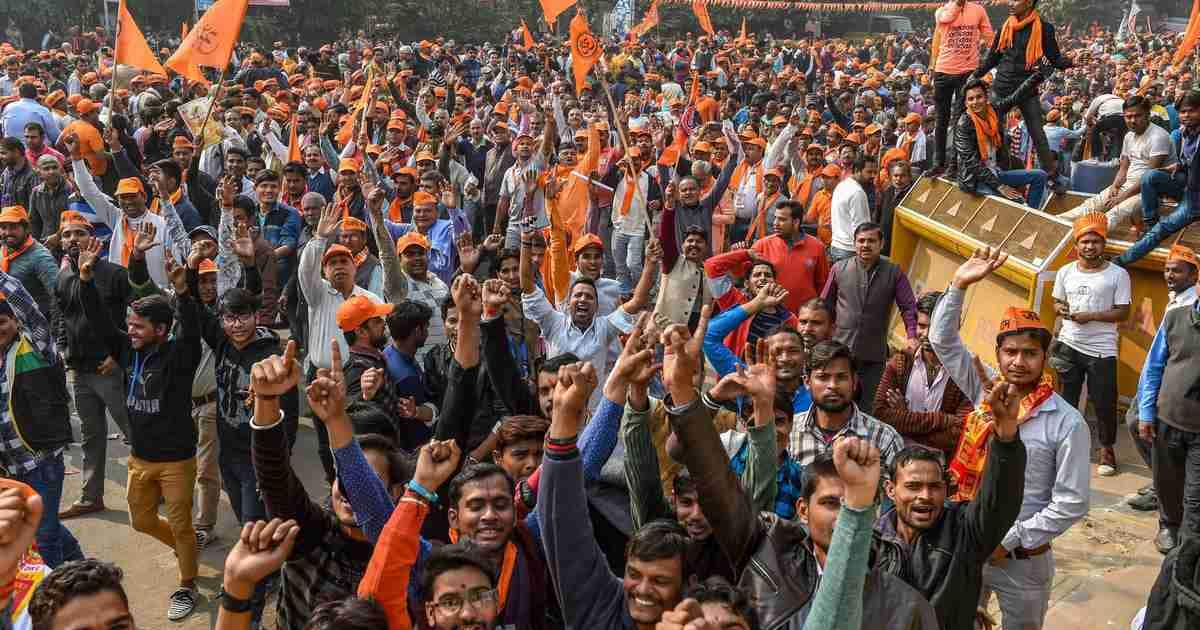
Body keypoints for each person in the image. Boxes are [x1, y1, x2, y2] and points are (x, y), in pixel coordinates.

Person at [665, 313, 938, 628]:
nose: (843, 518)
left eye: (854, 506)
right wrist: (684, 392)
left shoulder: (906, 605)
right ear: (802, 510)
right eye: (831, 503)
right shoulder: (768, 553)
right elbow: (718, 486)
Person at [931, 246, 1091, 630]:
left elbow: (1071, 502)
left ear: (1044, 357)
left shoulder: (1066, 422)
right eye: (1011, 352)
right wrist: (957, 285)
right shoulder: (987, 390)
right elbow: (943, 341)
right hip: (967, 544)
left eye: (1030, 353)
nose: (1019, 362)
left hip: (1023, 560)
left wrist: (1011, 538)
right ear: (998, 355)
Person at [78, 236, 206, 620]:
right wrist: (85, 281)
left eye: (138, 326)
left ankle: (188, 584)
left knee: (182, 524)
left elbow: (192, 333)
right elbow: (101, 322)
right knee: (143, 521)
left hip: (177, 462)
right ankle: (185, 545)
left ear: (162, 330)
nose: (130, 331)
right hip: (139, 459)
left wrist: (185, 292)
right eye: (129, 325)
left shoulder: (179, 358)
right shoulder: (126, 351)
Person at [249, 339, 412, 630]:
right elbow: (274, 476)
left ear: (397, 492)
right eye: (343, 479)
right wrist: (266, 400)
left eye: (366, 482)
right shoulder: (312, 533)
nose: (351, 491)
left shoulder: (407, 555)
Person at [538, 360, 692, 629]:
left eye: (660, 580)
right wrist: (563, 420)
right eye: (633, 574)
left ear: (687, 586)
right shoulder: (604, 606)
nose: (642, 590)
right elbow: (562, 525)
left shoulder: (707, 618)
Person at [297, 201, 383, 483]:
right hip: (320, 376)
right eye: (332, 263)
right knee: (324, 442)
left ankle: (356, 486)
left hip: (357, 378)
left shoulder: (370, 301)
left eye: (344, 261)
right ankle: (333, 485)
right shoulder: (317, 294)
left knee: (355, 438)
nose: (338, 267)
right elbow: (305, 272)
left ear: (355, 267)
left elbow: (383, 336)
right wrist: (320, 239)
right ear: (324, 271)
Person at [55, 212, 132, 520]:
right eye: (67, 235)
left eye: (79, 233)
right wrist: (63, 348)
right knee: (91, 435)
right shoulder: (63, 277)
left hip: (108, 368)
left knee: (133, 429)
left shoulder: (114, 274)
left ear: (93, 239)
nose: (73, 239)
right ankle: (91, 497)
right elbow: (61, 315)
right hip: (79, 370)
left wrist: (120, 354)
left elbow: (136, 318)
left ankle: (160, 486)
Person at [1125, 245, 1198, 539]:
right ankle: (1165, 504)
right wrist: (1147, 405)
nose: (1169, 275)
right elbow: (1157, 362)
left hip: (1191, 420)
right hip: (1166, 405)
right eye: (1167, 269)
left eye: (1176, 270)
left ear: (1194, 276)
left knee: (1192, 496)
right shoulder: (1177, 311)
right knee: (1140, 427)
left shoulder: (1186, 301)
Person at [1051, 213, 1131, 477]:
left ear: (1103, 244)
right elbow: (1056, 302)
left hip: (1101, 349)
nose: (1089, 246)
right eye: (1085, 241)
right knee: (1067, 400)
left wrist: (1092, 316)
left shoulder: (1118, 275)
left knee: (1104, 401)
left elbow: (1122, 312)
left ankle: (1106, 449)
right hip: (1069, 343)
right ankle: (1067, 446)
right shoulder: (1065, 272)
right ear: (1076, 245)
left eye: (1095, 241)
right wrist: (1061, 309)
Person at [823, 221, 920, 411]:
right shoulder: (839, 269)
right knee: (837, 401)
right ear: (854, 243)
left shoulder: (894, 272)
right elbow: (824, 305)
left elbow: (909, 307)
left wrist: (912, 336)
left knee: (867, 407)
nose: (865, 245)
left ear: (881, 244)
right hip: (840, 350)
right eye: (861, 241)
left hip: (873, 355)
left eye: (871, 241)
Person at [972, 0, 1073, 178]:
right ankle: (996, 170)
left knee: (1037, 133)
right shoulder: (1006, 25)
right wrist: (976, 75)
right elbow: (993, 57)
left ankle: (1052, 176)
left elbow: (1055, 59)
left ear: (1028, 3)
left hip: (1026, 88)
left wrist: (1072, 61)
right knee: (993, 129)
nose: (1010, 3)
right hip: (1001, 86)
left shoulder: (1044, 28)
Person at [872, 291, 972, 455]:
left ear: (956, 327)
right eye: (922, 326)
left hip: (937, 471)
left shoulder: (967, 376)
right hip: (892, 460)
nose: (927, 335)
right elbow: (880, 414)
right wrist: (943, 419)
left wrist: (905, 417)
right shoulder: (900, 363)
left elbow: (959, 435)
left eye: (937, 328)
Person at [1062, 96, 1174, 232]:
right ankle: (1055, 225)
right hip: (1128, 185)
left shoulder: (1158, 136)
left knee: (1113, 214)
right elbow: (1124, 167)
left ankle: (1086, 242)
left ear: (1147, 115)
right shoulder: (1129, 136)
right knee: (1091, 205)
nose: (1132, 120)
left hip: (1150, 190)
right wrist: (1115, 186)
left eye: (1137, 116)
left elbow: (1150, 177)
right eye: (1128, 117)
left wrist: (1122, 197)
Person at [1116, 91, 1200, 267]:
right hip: (1188, 188)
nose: (1186, 115)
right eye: (1183, 112)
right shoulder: (1184, 133)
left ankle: (1119, 262)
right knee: (1150, 176)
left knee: (1160, 231)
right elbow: (1189, 161)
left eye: (1191, 111)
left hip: (1195, 200)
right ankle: (1150, 224)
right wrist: (1179, 166)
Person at [955, 75, 1050, 208]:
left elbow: (1014, 98)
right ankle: (1027, 215)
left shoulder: (993, 111)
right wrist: (999, 186)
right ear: (966, 103)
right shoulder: (963, 124)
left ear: (986, 98)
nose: (975, 102)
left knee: (1040, 175)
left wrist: (1035, 78)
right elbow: (971, 162)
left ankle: (1031, 215)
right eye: (970, 99)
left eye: (979, 97)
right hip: (976, 180)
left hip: (996, 172)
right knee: (1019, 204)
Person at [928, 0, 994, 176]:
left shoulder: (979, 10)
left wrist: (1004, 54)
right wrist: (957, 4)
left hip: (967, 72)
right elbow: (948, 18)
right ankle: (938, 163)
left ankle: (953, 165)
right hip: (943, 71)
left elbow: (990, 38)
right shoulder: (942, 10)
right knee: (941, 120)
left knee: (960, 120)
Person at [748, 199, 829, 313]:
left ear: (796, 222)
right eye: (775, 217)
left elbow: (822, 284)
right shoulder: (761, 245)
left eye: (782, 219)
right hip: (770, 315)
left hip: (803, 318)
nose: (775, 223)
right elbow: (746, 280)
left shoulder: (817, 247)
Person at [829, 153, 878, 262]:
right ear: (857, 170)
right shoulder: (857, 193)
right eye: (869, 172)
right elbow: (861, 228)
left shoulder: (842, 185)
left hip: (837, 247)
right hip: (850, 251)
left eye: (875, 172)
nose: (873, 176)